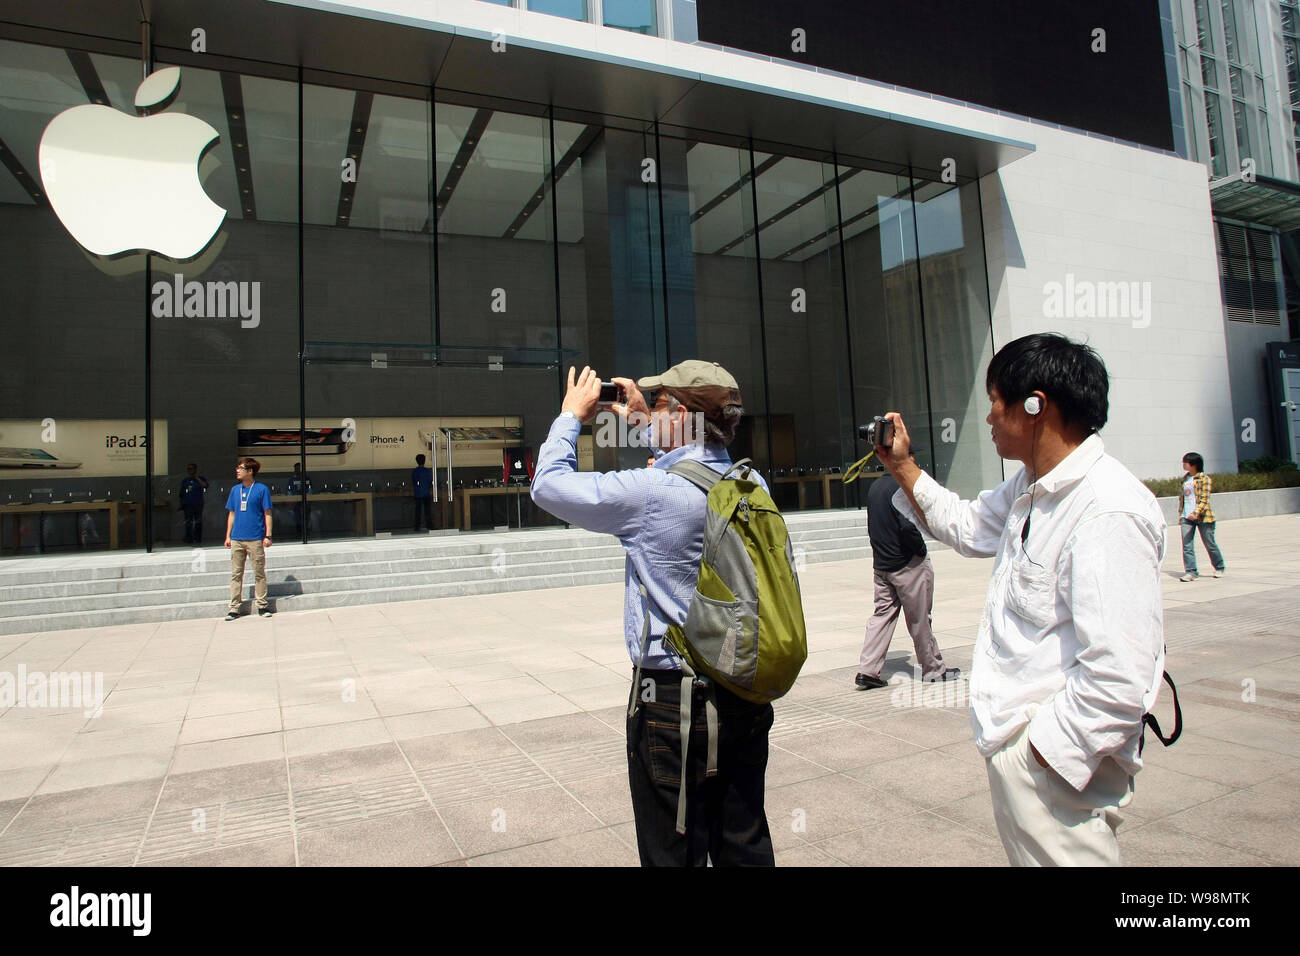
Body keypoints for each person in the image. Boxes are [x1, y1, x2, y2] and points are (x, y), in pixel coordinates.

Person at [875, 333, 1165, 867]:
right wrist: (903, 465)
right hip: (1026, 755)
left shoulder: (1107, 510)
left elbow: (1122, 675)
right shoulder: (1031, 486)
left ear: (1036, 405)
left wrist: (1041, 755)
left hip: (1056, 768)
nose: (989, 419)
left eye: (995, 403)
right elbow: (966, 527)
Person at [531, 360, 776, 867]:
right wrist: (648, 424)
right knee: (744, 841)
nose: (645, 410)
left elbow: (549, 486)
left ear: (682, 414)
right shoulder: (752, 484)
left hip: (673, 703)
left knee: (673, 849)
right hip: (743, 691)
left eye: (659, 403)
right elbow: (692, 463)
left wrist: (570, 417)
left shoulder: (650, 493)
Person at [855, 445, 958, 689]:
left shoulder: (876, 487)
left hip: (882, 565)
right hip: (906, 565)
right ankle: (933, 668)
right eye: (912, 457)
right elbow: (908, 527)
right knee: (920, 618)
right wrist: (920, 552)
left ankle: (868, 670)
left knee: (882, 616)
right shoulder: (901, 488)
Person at [224, 456, 273, 619]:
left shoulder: (261, 489)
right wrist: (228, 536)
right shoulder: (234, 490)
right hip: (237, 538)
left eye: (241, 468)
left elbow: (267, 513)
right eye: (238, 468)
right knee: (236, 574)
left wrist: (268, 535)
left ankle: (262, 605)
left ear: (250, 471)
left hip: (255, 538)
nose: (237, 470)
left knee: (259, 573)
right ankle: (234, 608)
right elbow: (231, 513)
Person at [1178, 452, 1225, 582]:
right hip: (1187, 517)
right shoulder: (1185, 479)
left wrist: (1196, 512)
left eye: (1185, 462)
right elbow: (1182, 499)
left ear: (1193, 464)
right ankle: (1191, 571)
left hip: (1204, 517)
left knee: (1210, 543)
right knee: (1187, 546)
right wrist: (1182, 514)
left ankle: (1219, 567)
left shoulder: (1205, 479)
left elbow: (1205, 499)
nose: (1183, 464)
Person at [179, 463, 208, 545]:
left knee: (198, 521)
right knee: (188, 521)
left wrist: (197, 478)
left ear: (195, 469)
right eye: (188, 469)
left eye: (191, 468)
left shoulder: (200, 479)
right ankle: (189, 538)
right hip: (187, 503)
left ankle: (197, 538)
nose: (190, 470)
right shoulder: (185, 481)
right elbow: (181, 494)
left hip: (198, 503)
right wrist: (181, 504)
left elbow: (205, 485)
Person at [412, 453, 434, 532]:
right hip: (426, 492)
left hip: (417, 493)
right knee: (427, 510)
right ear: (424, 461)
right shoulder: (427, 471)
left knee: (418, 511)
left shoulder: (415, 471)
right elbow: (430, 481)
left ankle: (417, 526)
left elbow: (414, 481)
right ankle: (429, 525)